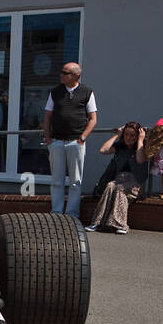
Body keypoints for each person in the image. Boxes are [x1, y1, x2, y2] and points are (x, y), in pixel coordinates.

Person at [42, 62, 97, 218]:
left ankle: (72, 213)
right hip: (57, 141)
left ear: (75, 75)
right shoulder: (55, 92)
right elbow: (47, 116)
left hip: (76, 141)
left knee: (75, 181)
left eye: (65, 73)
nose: (61, 75)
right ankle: (57, 211)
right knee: (57, 180)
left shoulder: (87, 92)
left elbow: (93, 118)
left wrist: (83, 137)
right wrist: (48, 138)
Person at [86, 122, 147, 234]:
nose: (128, 138)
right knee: (110, 186)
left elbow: (140, 160)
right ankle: (97, 222)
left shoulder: (142, 147)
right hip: (119, 178)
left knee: (119, 189)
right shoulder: (120, 147)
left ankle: (121, 225)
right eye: (126, 134)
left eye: (132, 135)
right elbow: (103, 150)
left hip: (135, 183)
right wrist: (117, 135)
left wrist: (140, 141)